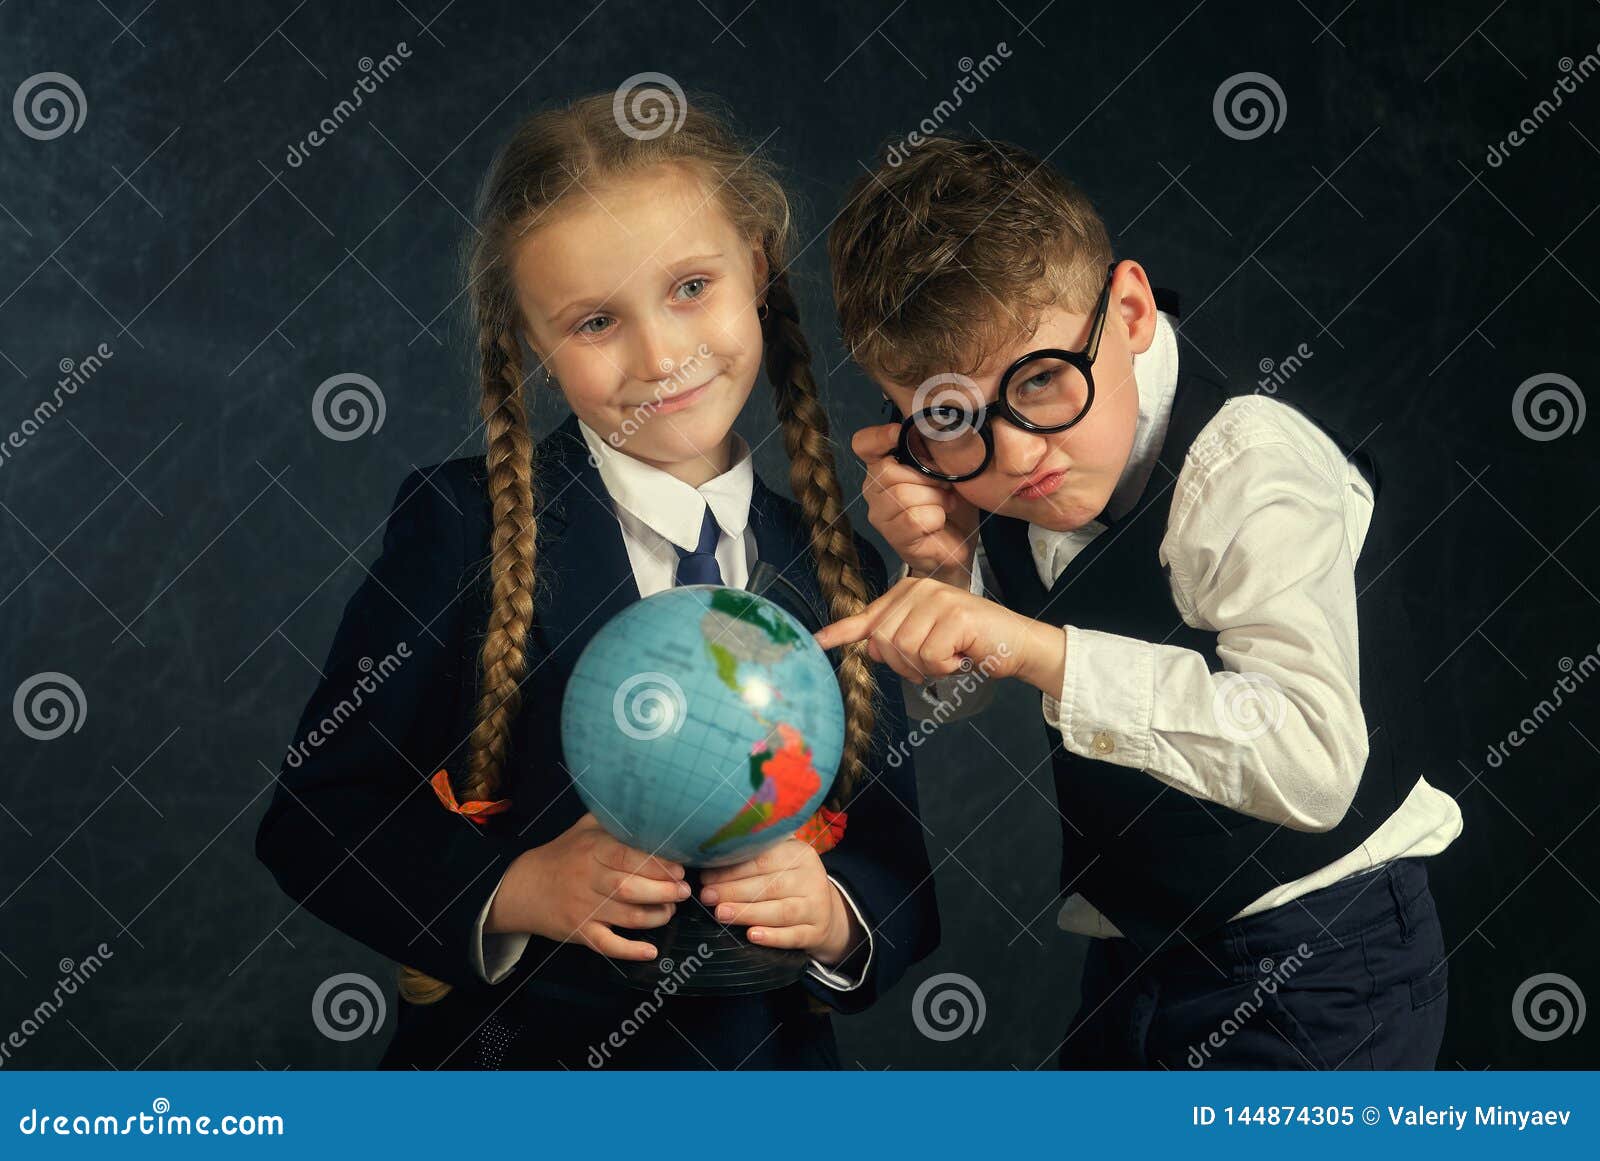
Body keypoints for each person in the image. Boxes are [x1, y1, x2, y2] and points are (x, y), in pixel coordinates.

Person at [255, 92, 938, 1070]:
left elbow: (897, 868)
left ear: (756, 262)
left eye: (691, 286)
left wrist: (832, 913)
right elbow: (317, 815)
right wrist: (516, 889)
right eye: (593, 321)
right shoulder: (467, 528)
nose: (659, 357)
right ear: (531, 340)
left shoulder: (838, 567)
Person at [816, 135, 1459, 1069]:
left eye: (1039, 380)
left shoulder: (1248, 468)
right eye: (952, 416)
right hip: (1137, 953)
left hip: (1326, 961)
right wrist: (945, 574)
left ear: (1128, 310)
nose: (1017, 454)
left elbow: (1318, 762)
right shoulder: (987, 483)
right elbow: (963, 690)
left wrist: (1037, 648)